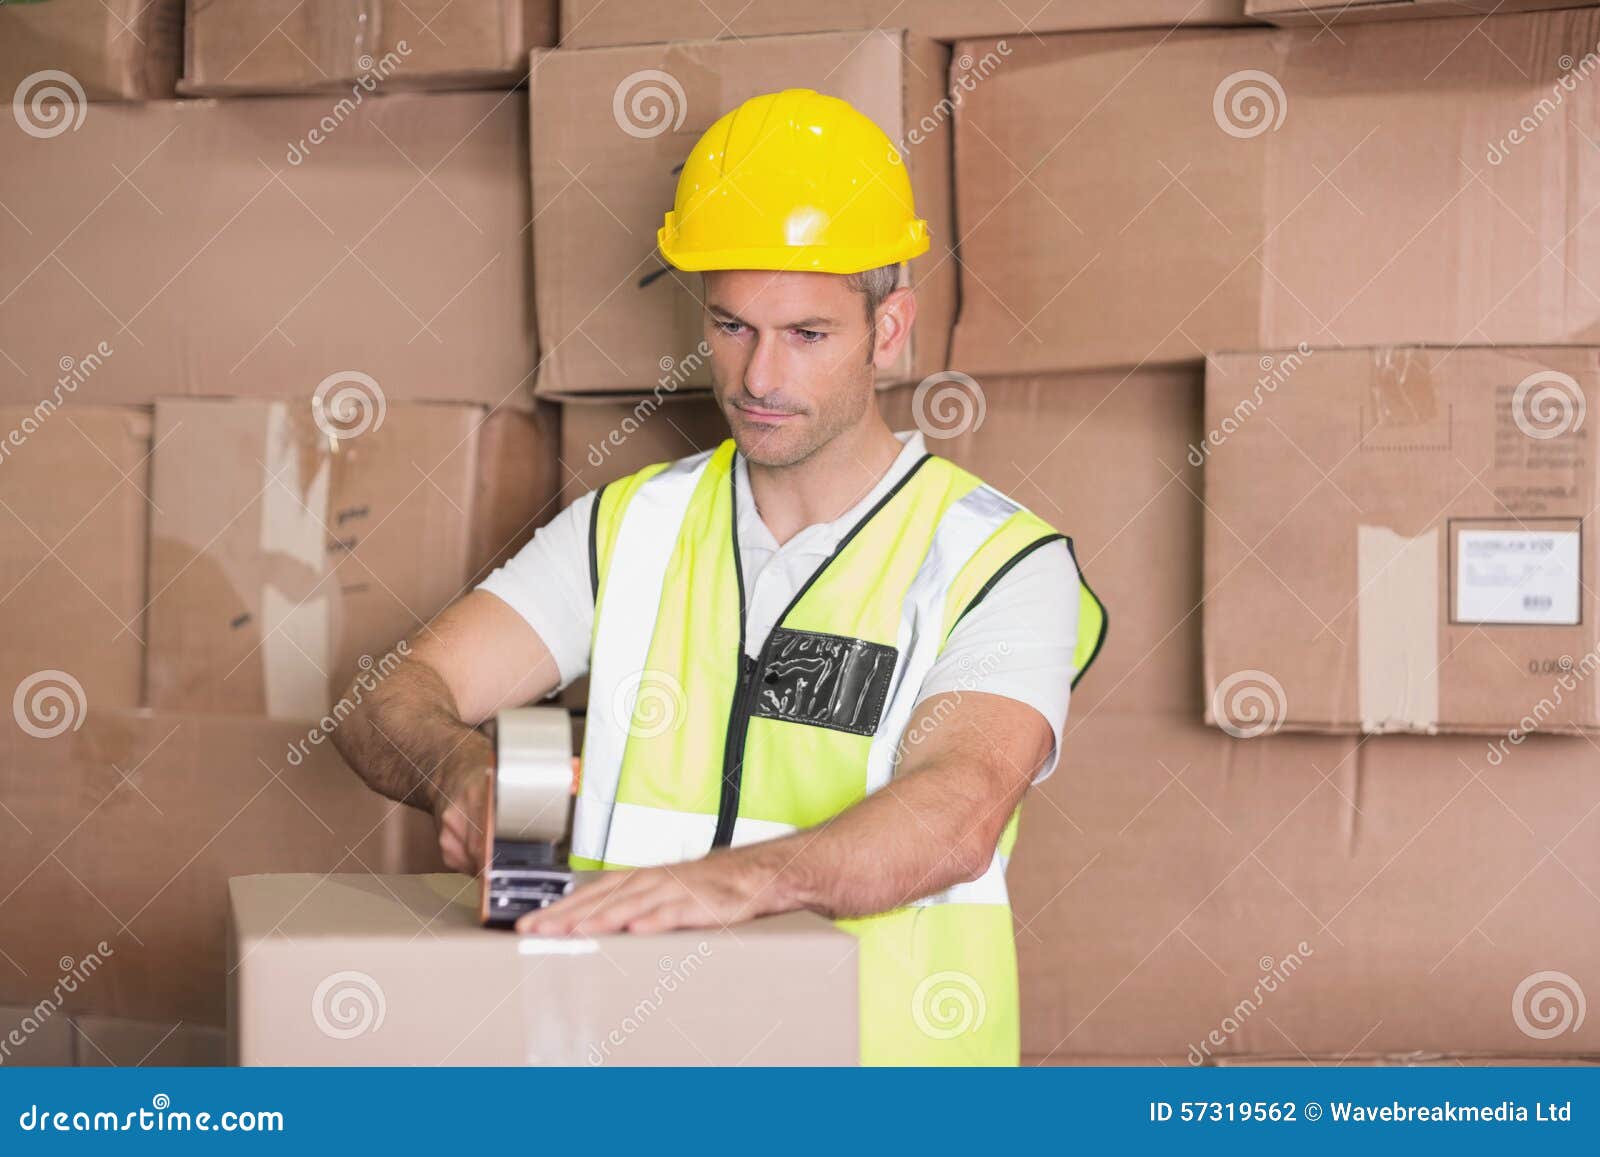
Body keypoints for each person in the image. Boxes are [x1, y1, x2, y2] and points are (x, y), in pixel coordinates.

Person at [334, 88, 1106, 1065]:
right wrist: (458, 770)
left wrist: (729, 882)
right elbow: (385, 699)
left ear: (891, 325)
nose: (757, 376)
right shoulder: (629, 528)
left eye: (807, 334)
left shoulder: (1000, 562)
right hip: (636, 1076)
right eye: (732, 325)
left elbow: (955, 811)